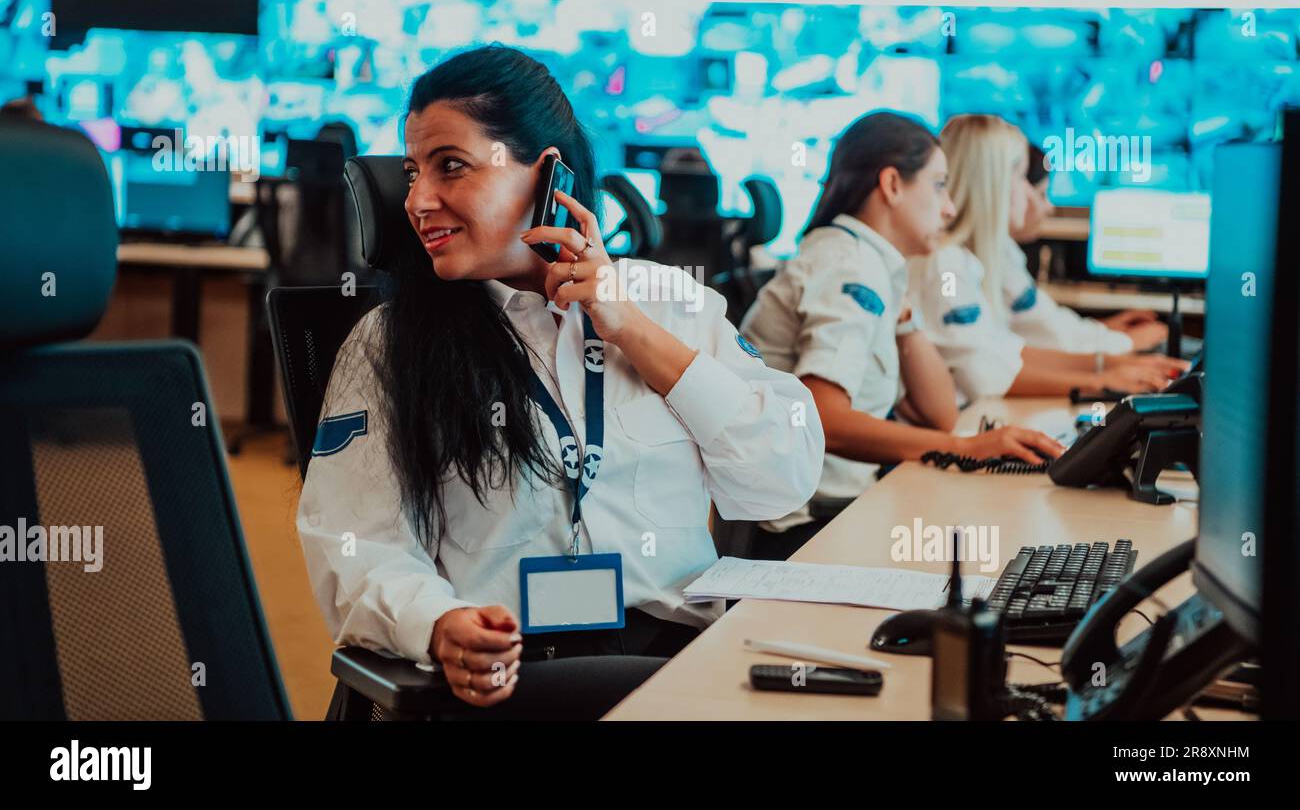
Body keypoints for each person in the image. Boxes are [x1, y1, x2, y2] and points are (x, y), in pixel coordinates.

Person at [296, 45, 824, 718]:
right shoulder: (390, 342)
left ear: (548, 175)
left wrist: (632, 329)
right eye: (411, 174)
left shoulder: (668, 303)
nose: (419, 201)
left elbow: (782, 479)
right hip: (510, 683)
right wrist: (435, 625)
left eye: (450, 167)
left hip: (674, 669)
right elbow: (354, 543)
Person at [739, 112, 1063, 561]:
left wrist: (905, 315)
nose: (949, 207)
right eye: (938, 185)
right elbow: (823, 418)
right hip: (806, 531)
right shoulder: (848, 266)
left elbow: (940, 413)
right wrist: (965, 448)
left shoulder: (876, 266)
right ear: (892, 185)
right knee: (991, 555)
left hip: (843, 506)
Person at [908, 115, 1187, 404]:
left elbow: (1006, 353)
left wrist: (1109, 363)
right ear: (995, 184)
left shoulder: (964, 263)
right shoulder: (948, 270)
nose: (1031, 194)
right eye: (1021, 178)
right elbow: (983, 371)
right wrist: (1102, 375)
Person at [1006, 143, 1168, 352]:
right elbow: (1030, 347)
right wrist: (1122, 345)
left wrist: (1104, 329)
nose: (1049, 207)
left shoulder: (1007, 255)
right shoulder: (981, 262)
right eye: (1042, 194)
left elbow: (1043, 327)